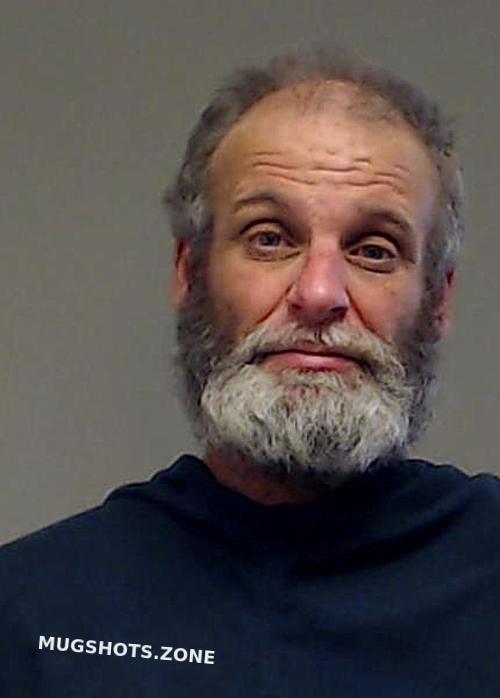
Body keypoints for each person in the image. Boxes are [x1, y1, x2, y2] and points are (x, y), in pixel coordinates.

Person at [1, 47, 499, 697]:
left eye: (374, 250)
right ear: (190, 273)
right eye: (270, 238)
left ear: (438, 302)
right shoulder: (32, 610)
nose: (319, 293)